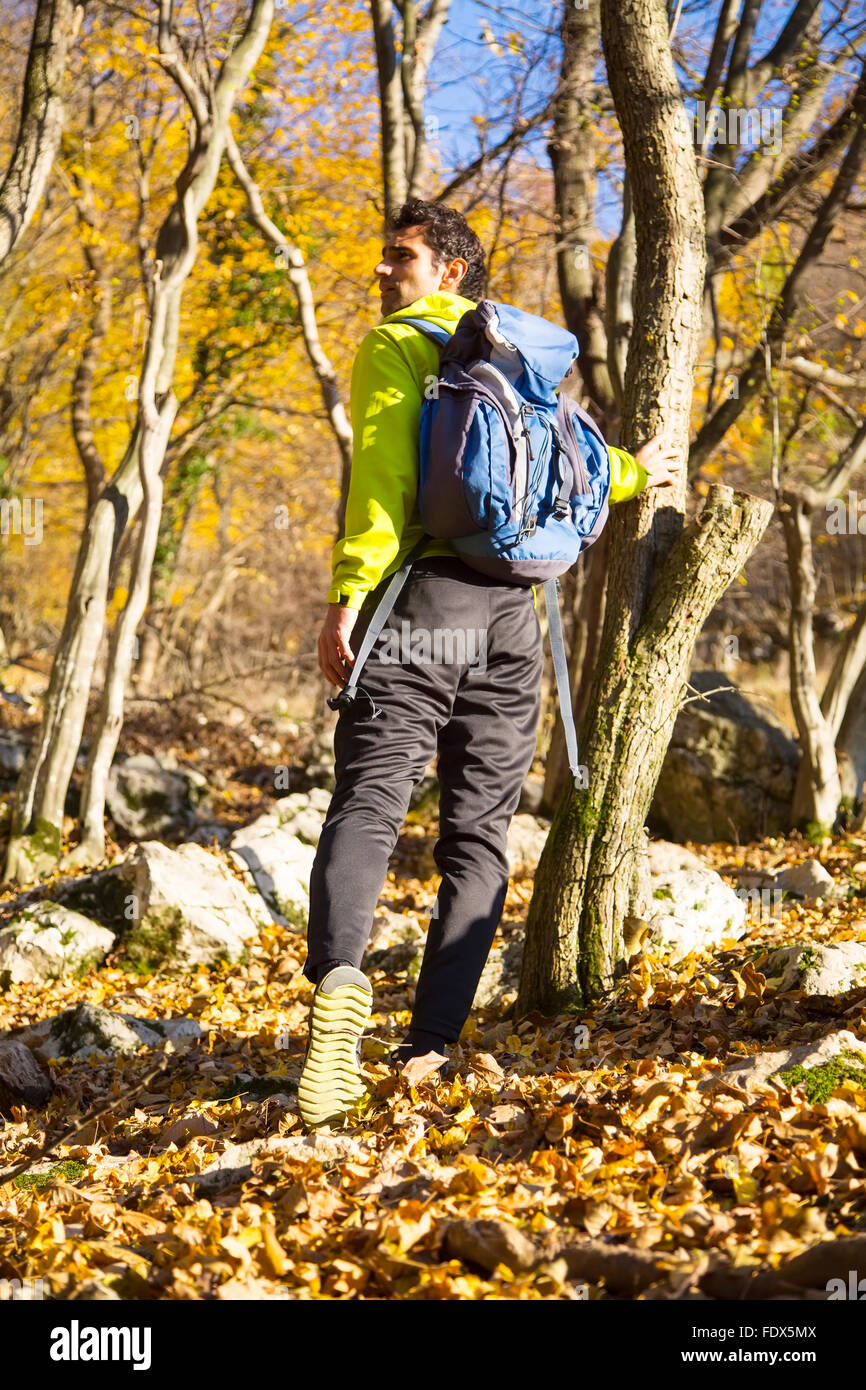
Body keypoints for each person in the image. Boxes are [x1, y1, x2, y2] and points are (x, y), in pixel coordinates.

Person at [297, 198, 680, 1129]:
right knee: (478, 834)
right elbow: (567, 472)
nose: (383, 272)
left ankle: (341, 990)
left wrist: (348, 593)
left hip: (423, 605)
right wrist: (643, 468)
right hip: (519, 623)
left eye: (402, 257)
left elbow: (381, 487)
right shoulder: (522, 359)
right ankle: (430, 1046)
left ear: (451, 270)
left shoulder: (398, 348)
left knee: (372, 803)